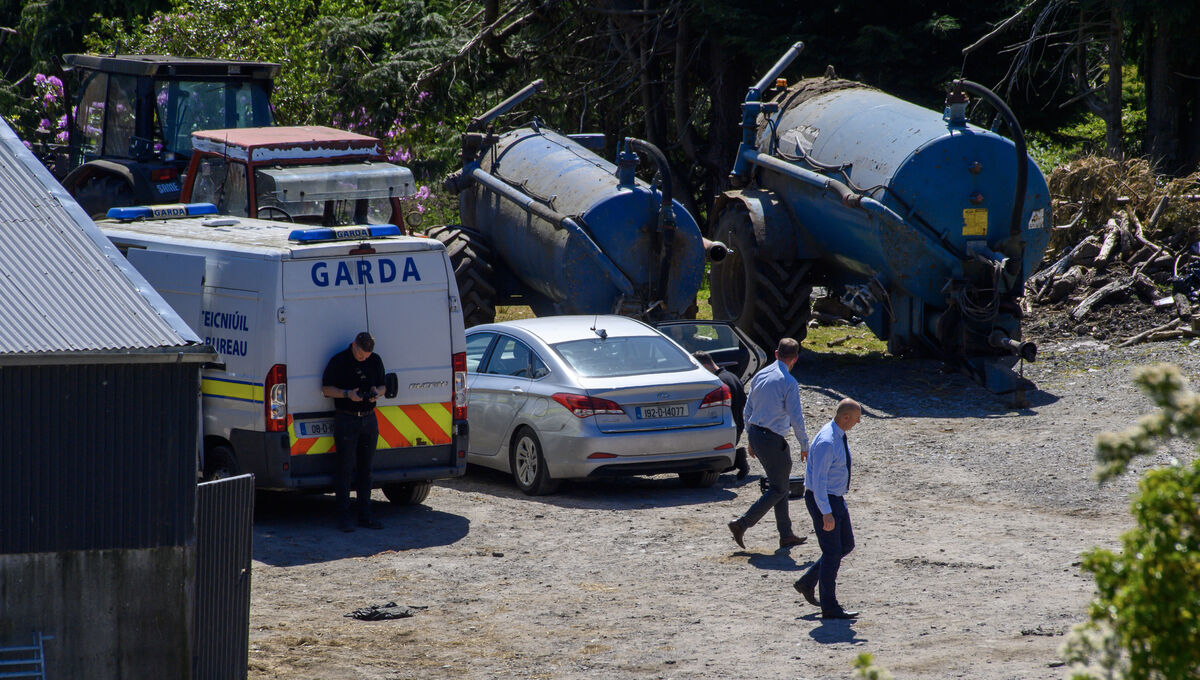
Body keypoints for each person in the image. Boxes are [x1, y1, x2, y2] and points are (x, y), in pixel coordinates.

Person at [726, 338, 809, 550]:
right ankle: (742, 523)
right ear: (795, 359)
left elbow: (748, 410)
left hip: (756, 433)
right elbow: (796, 417)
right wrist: (804, 444)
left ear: (775, 353)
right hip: (772, 438)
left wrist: (750, 438)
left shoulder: (761, 374)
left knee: (778, 484)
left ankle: (786, 534)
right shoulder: (788, 382)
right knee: (780, 487)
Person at [793, 398, 863, 619]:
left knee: (845, 545)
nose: (857, 423)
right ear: (845, 418)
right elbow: (818, 481)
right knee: (832, 552)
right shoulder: (827, 441)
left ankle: (807, 582)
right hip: (824, 500)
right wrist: (826, 513)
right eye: (856, 419)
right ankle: (829, 606)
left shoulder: (837, 435)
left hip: (835, 498)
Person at [321, 331, 387, 533]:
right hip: (346, 417)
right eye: (360, 355)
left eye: (366, 356)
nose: (362, 359)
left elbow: (384, 386)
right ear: (354, 345)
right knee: (345, 468)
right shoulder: (340, 360)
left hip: (368, 418)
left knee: (366, 470)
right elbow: (325, 389)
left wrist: (377, 393)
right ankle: (343, 517)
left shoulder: (375, 360)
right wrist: (347, 394)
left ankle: (365, 516)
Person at [693, 350, 750, 479]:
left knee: (706, 468)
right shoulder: (732, 376)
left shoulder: (719, 382)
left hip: (729, 429)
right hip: (737, 427)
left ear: (704, 366)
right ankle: (737, 455)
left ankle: (738, 458)